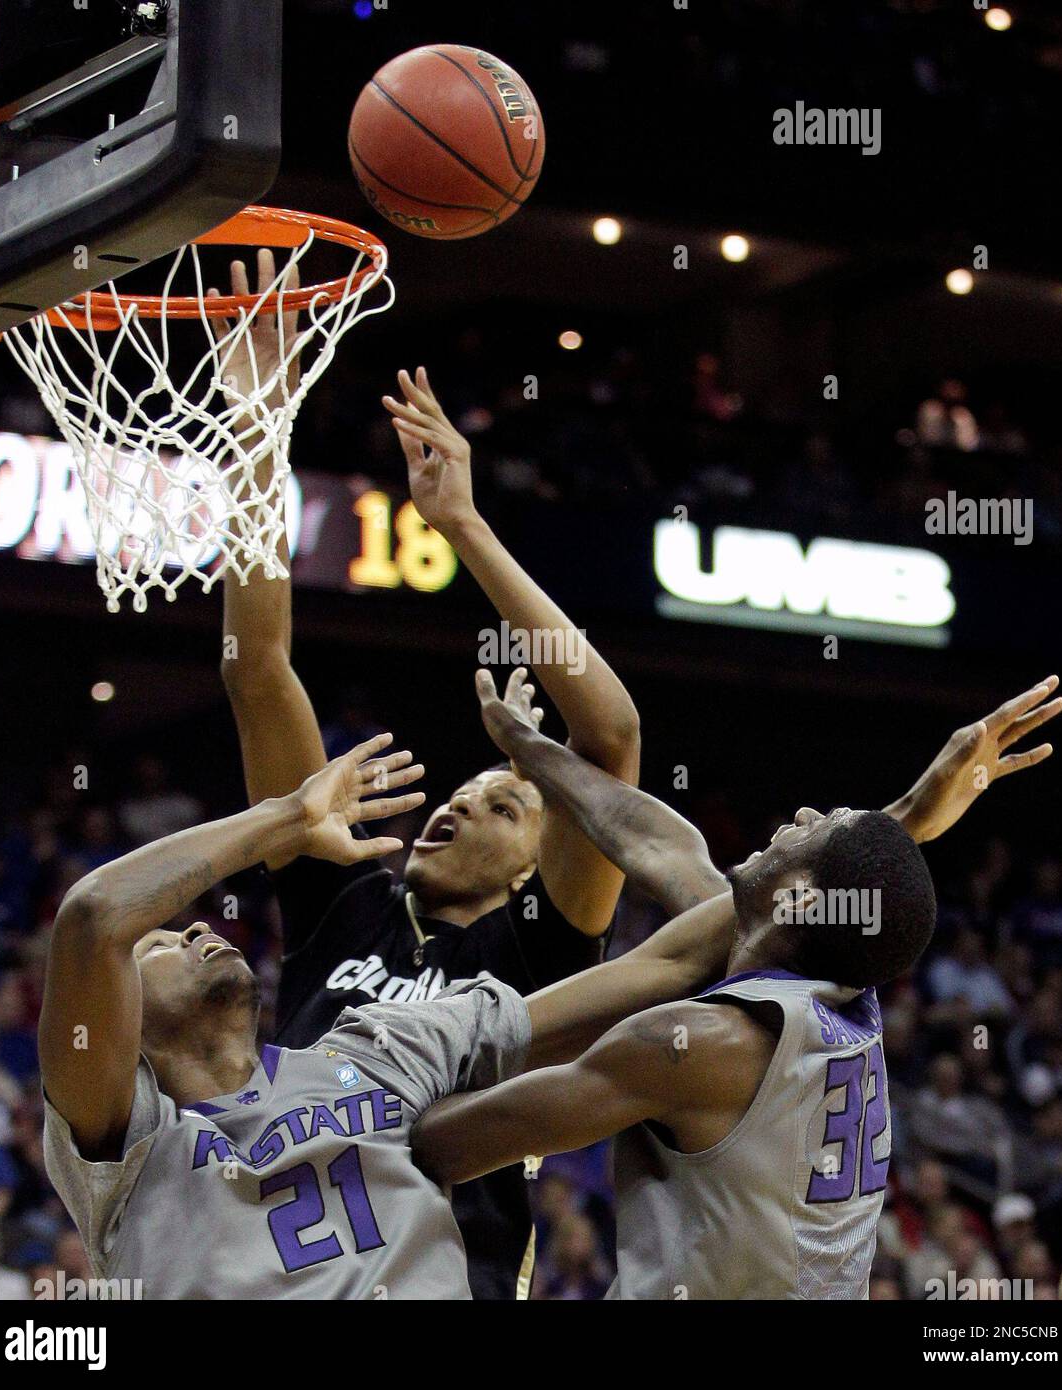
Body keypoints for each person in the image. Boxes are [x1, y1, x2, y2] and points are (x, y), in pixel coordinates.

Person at [215, 253, 641, 1298]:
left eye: (502, 805)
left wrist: (463, 525)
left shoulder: (539, 949)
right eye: (467, 789)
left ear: (537, 870)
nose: (462, 799)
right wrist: (256, 435)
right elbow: (260, 672)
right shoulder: (341, 900)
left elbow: (613, 735)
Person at [38, 729, 761, 1299]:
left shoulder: (372, 1050)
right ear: (120, 1022)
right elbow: (96, 917)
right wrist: (285, 818)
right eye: (161, 942)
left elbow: (658, 967)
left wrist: (815, 876)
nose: (198, 931)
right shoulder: (123, 1137)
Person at [411, 673, 1062, 1299]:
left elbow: (437, 1144)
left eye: (818, 824)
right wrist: (527, 749)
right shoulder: (830, 985)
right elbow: (660, 849)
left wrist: (368, 1061)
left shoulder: (697, 1047)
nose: (802, 811)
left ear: (800, 899)